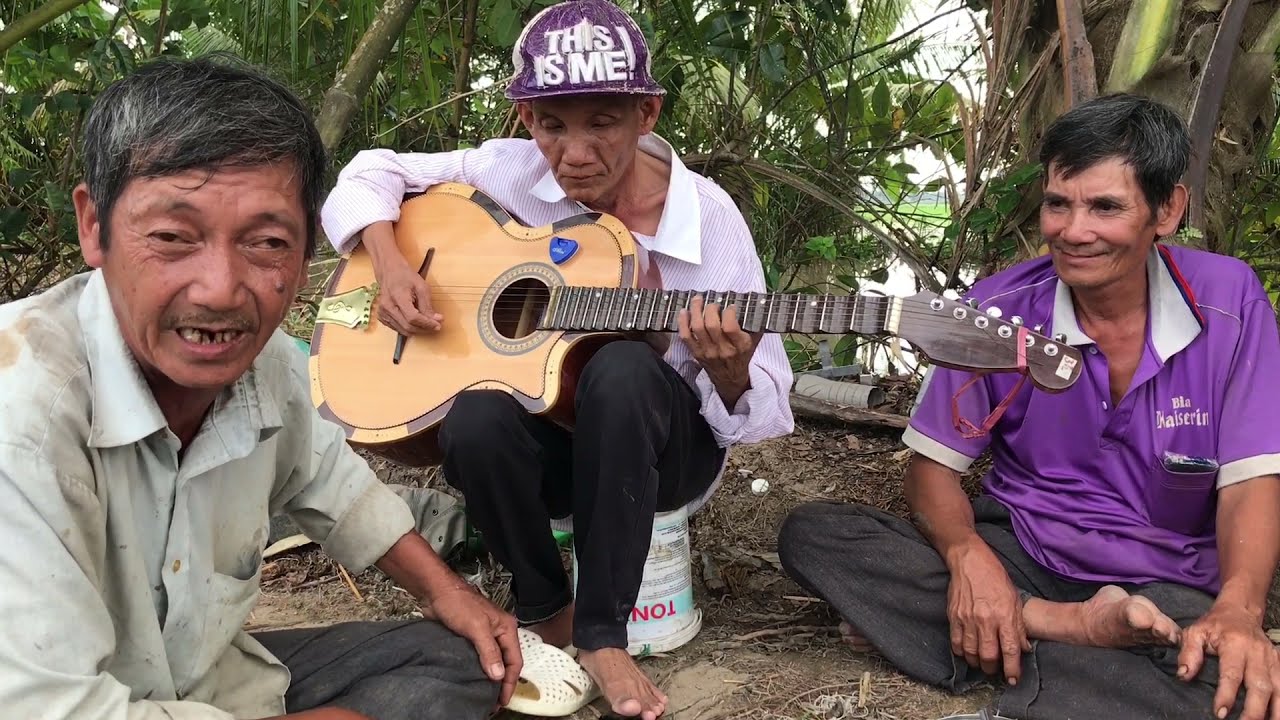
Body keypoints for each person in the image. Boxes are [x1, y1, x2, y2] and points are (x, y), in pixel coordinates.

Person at [0, 55, 523, 720]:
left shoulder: (268, 365)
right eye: (172, 236)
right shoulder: (23, 409)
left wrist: (448, 593)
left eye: (267, 242)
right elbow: (44, 705)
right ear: (94, 226)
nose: (220, 290)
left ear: (306, 259)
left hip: (212, 689)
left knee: (462, 659)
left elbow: (334, 485)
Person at [320, 0, 794, 716]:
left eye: (602, 123)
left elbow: (763, 408)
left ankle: (604, 634)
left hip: (660, 458)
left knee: (624, 367)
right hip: (553, 456)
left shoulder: (708, 219)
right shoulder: (506, 172)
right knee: (474, 415)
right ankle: (545, 607)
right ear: (526, 120)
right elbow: (367, 172)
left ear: (647, 114)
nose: (574, 152)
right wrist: (389, 262)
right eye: (552, 125)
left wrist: (729, 372)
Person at [778, 93, 1280, 720]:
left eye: (1105, 207)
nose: (1073, 231)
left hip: (1164, 582)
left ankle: (1003, 643)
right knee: (817, 534)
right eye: (1057, 204)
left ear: (1168, 209)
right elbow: (931, 473)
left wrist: (1238, 611)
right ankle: (1069, 637)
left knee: (1233, 679)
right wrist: (968, 558)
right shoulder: (996, 312)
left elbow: (1250, 483)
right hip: (1021, 554)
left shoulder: (1231, 304)